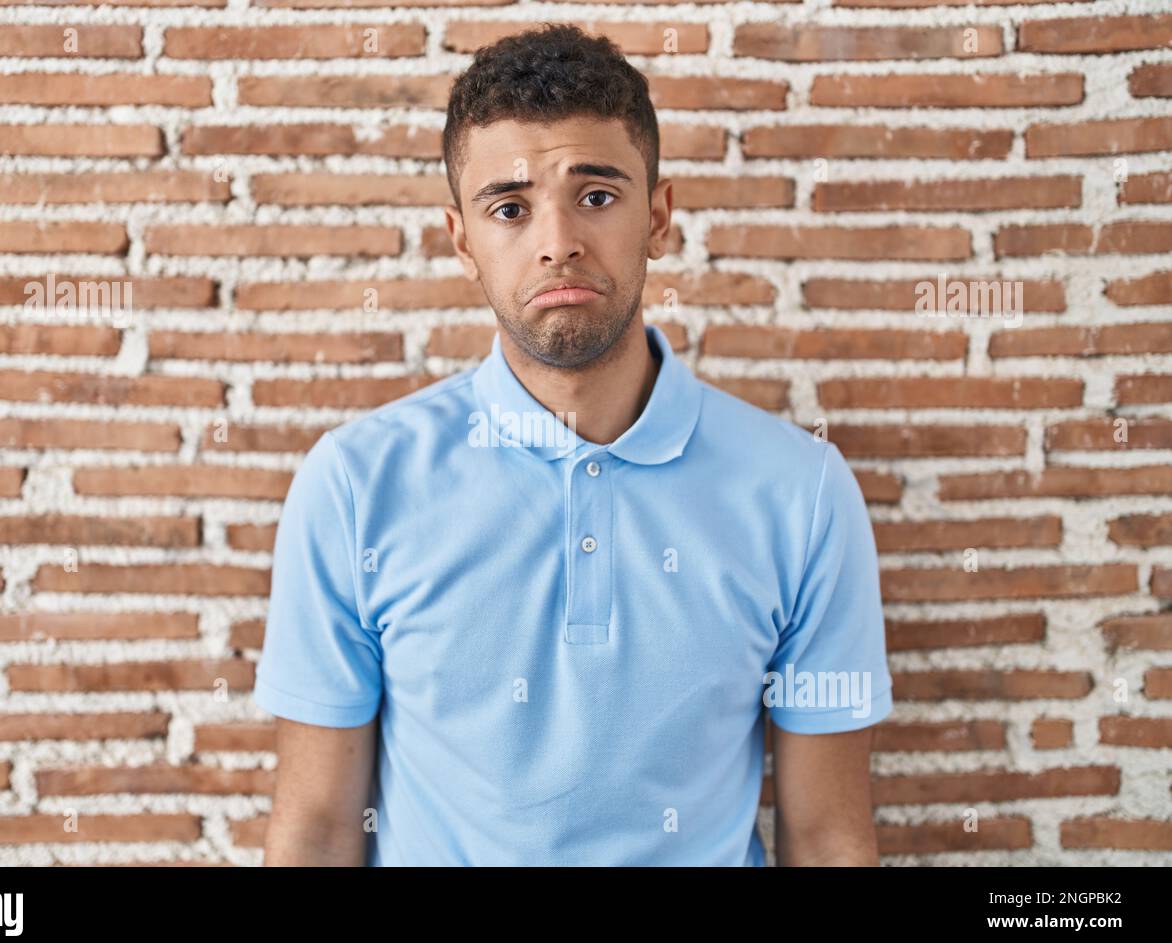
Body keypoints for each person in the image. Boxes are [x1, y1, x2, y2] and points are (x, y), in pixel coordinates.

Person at [254, 23, 893, 866]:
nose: (557, 240)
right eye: (510, 208)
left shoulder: (801, 491)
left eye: (596, 196)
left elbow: (826, 837)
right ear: (461, 240)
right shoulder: (354, 485)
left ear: (659, 217)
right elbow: (319, 830)